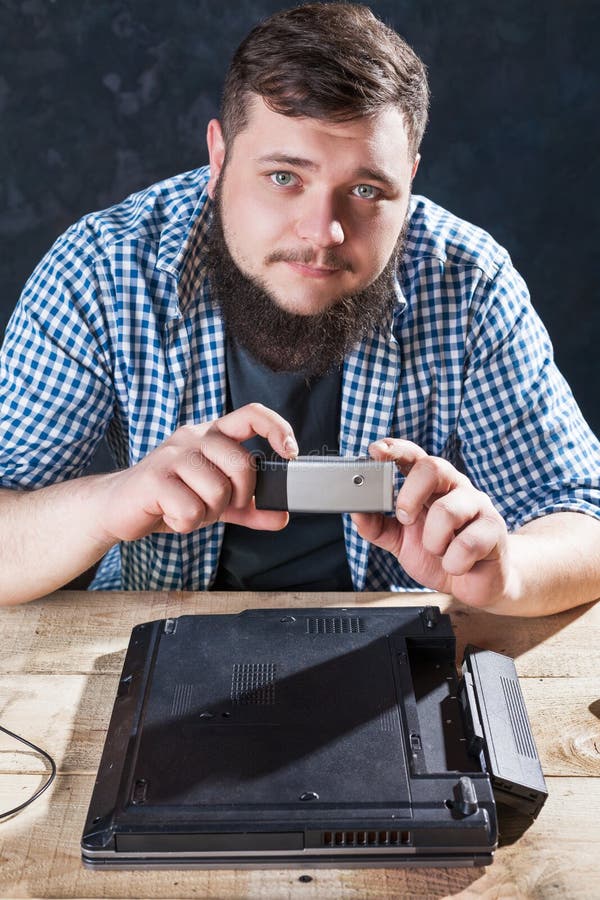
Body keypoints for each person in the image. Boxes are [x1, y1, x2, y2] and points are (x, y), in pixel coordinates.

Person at [1, 3, 599, 615]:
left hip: (401, 646)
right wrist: (111, 501)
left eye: (366, 190)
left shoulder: (467, 281)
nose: (324, 232)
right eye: (285, 176)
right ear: (219, 158)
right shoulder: (104, 267)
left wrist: (507, 572)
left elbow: (586, 515)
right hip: (154, 634)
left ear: (410, 181)